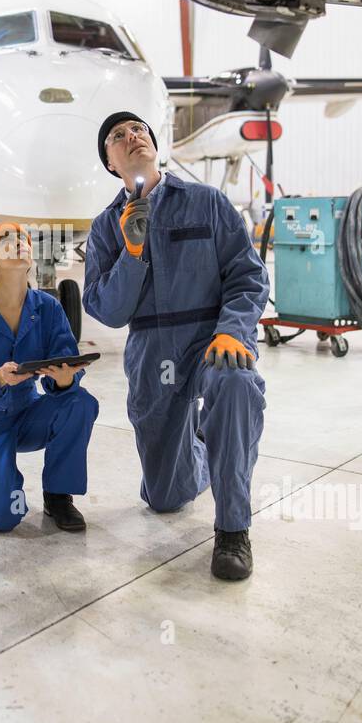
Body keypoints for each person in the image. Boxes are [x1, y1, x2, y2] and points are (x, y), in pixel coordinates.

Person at [83, 113, 269, 580]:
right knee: (165, 497)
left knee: (234, 383)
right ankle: (207, 446)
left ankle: (233, 530)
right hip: (153, 351)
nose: (132, 136)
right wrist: (132, 253)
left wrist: (233, 330)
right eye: (118, 137)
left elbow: (248, 276)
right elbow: (109, 311)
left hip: (212, 338)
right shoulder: (105, 227)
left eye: (138, 130)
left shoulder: (206, 202)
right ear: (110, 163)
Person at [0, 222, 99, 534]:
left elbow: (66, 358)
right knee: (2, 519)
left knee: (79, 402)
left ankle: (58, 496)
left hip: (25, 415)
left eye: (23, 240)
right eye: (7, 240)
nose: (19, 244)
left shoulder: (48, 308)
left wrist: (64, 380)